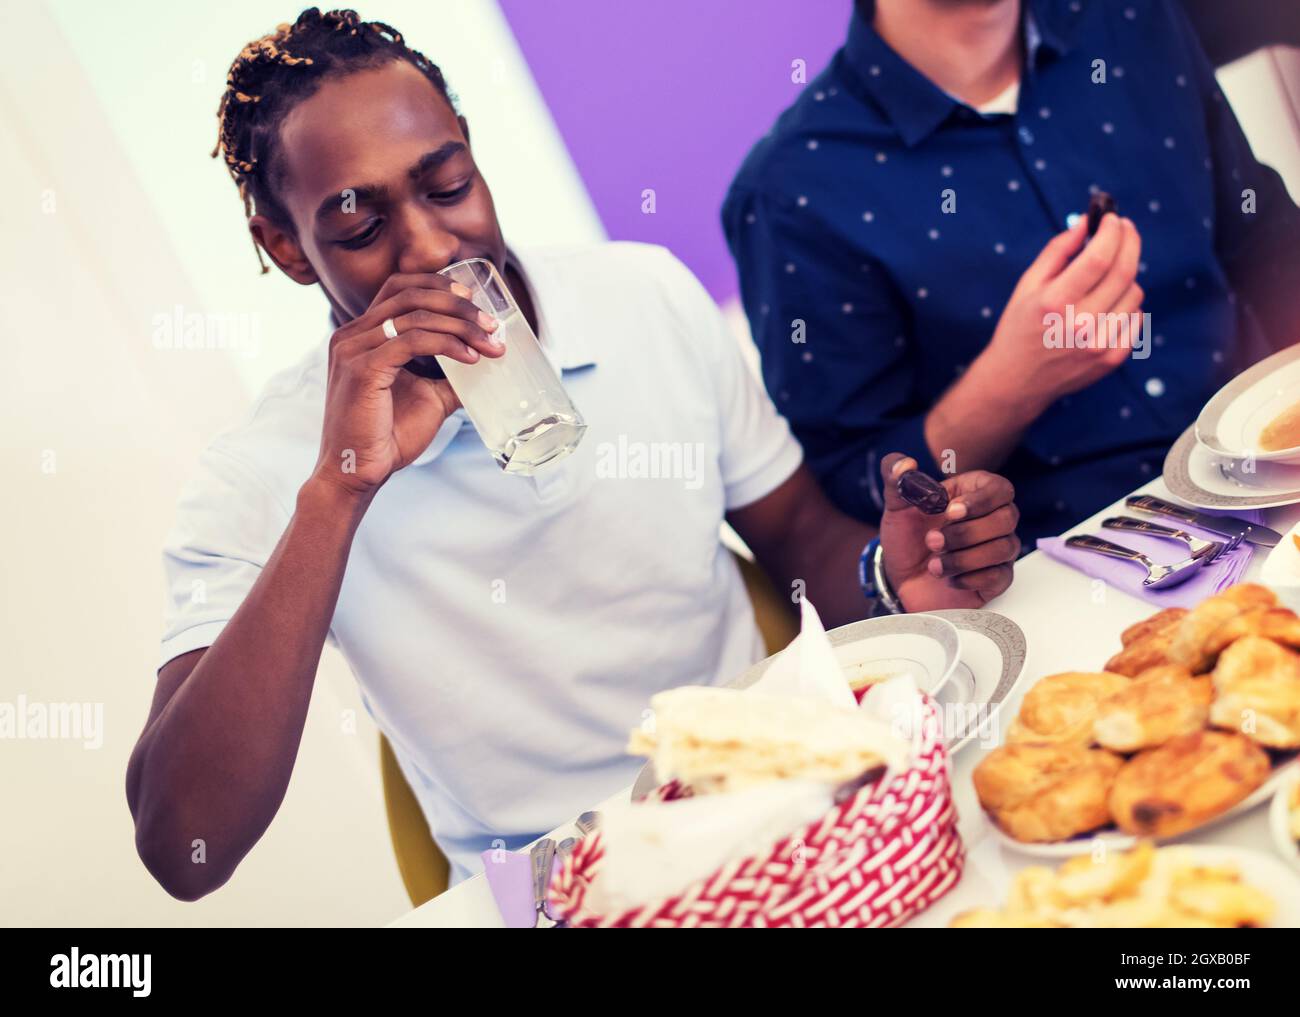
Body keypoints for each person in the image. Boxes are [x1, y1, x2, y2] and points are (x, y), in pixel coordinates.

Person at [126, 7, 1023, 897]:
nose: (433, 247)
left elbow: (794, 536)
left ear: (473, 154)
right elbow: (184, 842)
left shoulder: (646, 299)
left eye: (448, 187)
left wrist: (888, 573)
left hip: (785, 796)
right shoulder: (265, 468)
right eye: (360, 230)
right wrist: (340, 489)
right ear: (285, 245)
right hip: (562, 889)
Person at [723, 0, 1300, 548]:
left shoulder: (1132, 20)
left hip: (1274, 468)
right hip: (1066, 570)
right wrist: (1010, 384)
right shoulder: (792, 193)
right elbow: (860, 494)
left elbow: (1265, 236)